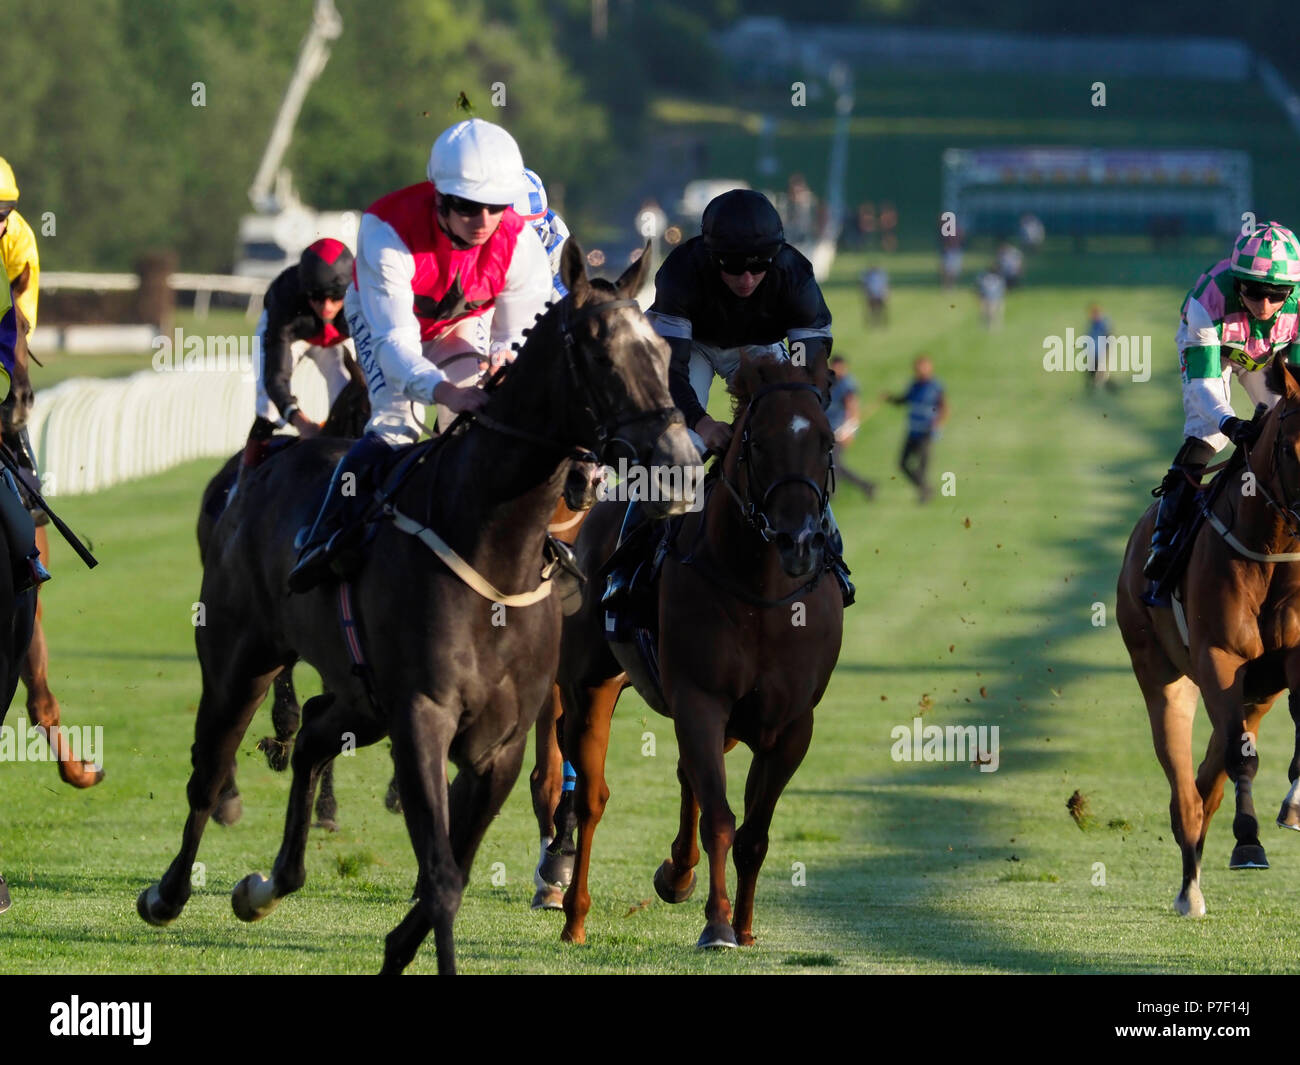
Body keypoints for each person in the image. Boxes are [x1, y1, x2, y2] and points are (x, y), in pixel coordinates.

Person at [288, 117, 551, 592]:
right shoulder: (386, 228)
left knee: (479, 415)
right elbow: (396, 347)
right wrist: (444, 390)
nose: (485, 223)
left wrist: (502, 359)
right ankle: (323, 533)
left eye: (496, 207)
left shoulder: (520, 241)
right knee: (396, 424)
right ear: (441, 200)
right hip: (384, 321)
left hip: (456, 323)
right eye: (470, 208)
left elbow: (516, 333)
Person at [614, 187, 854, 605]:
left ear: (775, 257)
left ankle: (829, 547)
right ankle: (626, 567)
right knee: (675, 453)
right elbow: (669, 374)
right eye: (733, 267)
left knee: (793, 445)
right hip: (692, 348)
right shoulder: (681, 272)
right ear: (711, 257)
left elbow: (811, 372)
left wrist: (798, 415)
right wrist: (702, 423)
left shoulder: (795, 275)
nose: (747, 280)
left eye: (758, 267)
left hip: (759, 347)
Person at [1142, 220, 1300, 601]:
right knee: (1207, 433)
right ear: (1236, 283)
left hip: (1268, 359)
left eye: (1277, 294)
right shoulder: (1207, 301)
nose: (1264, 306)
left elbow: (1296, 384)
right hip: (1216, 357)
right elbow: (1204, 386)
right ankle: (1164, 542)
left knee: (1288, 430)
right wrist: (1230, 424)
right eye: (1253, 292)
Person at [243, 238, 356, 472]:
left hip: (334, 340)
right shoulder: (285, 300)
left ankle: (351, 481)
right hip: (293, 335)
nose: (326, 307)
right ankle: (243, 486)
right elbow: (275, 377)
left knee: (349, 397)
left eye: (336, 297)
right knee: (268, 409)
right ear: (305, 290)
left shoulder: (363, 295)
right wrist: (301, 423)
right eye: (316, 296)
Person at [884, 355, 947, 503]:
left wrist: (938, 424)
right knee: (903, 463)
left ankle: (924, 494)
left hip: (927, 431)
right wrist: (890, 398)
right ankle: (925, 488)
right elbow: (904, 400)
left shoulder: (935, 386)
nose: (920, 371)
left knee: (922, 465)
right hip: (913, 431)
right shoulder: (914, 385)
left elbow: (944, 407)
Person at [513, 167, 570, 302]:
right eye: (515, 232)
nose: (523, 239)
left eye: (532, 230)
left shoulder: (556, 239)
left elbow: (561, 303)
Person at [828, 355, 875, 500]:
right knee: (832, 463)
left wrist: (849, 431)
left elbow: (853, 409)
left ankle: (832, 493)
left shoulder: (847, 385)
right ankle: (866, 486)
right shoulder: (831, 382)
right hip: (829, 429)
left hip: (840, 431)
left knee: (832, 462)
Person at [1084, 303, 1117, 393]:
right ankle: (1093, 387)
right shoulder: (1092, 324)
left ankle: (1107, 386)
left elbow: (1109, 335)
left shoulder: (1102, 324)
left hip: (1100, 352)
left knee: (1100, 372)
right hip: (1093, 352)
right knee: (1092, 372)